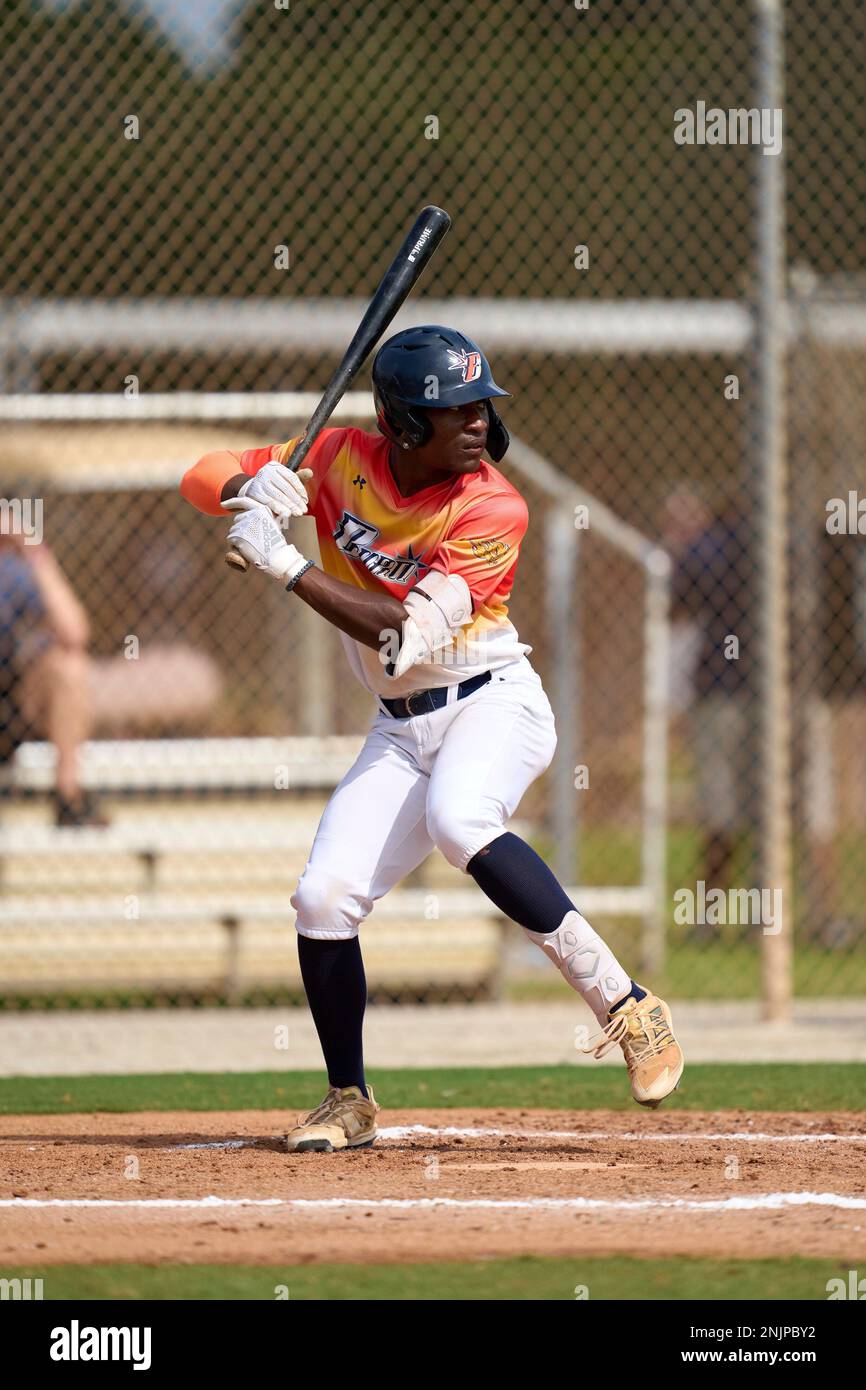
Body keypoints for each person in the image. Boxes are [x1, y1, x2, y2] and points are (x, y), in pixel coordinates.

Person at [181, 325, 684, 1152]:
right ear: (403, 423)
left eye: (482, 404)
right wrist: (251, 485)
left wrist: (287, 565)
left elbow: (403, 638)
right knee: (322, 899)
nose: (479, 421)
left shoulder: (492, 504)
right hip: (399, 727)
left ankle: (626, 1006)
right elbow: (195, 476)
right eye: (456, 410)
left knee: (461, 820)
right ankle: (349, 1099)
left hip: (493, 703)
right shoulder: (339, 455)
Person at [0, 530, 107, 826]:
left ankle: (68, 797)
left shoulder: (10, 571)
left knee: (69, 667)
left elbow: (75, 632)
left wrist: (33, 551)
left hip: (13, 703)